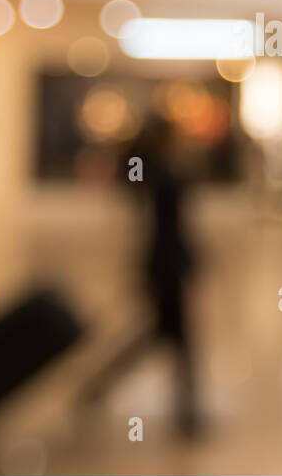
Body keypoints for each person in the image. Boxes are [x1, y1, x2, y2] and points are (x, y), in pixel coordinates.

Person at [79, 115, 201, 438]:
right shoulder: (162, 176)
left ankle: (98, 387)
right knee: (177, 340)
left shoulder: (155, 174)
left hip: (166, 265)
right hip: (167, 268)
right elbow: (163, 233)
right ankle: (187, 413)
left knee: (164, 338)